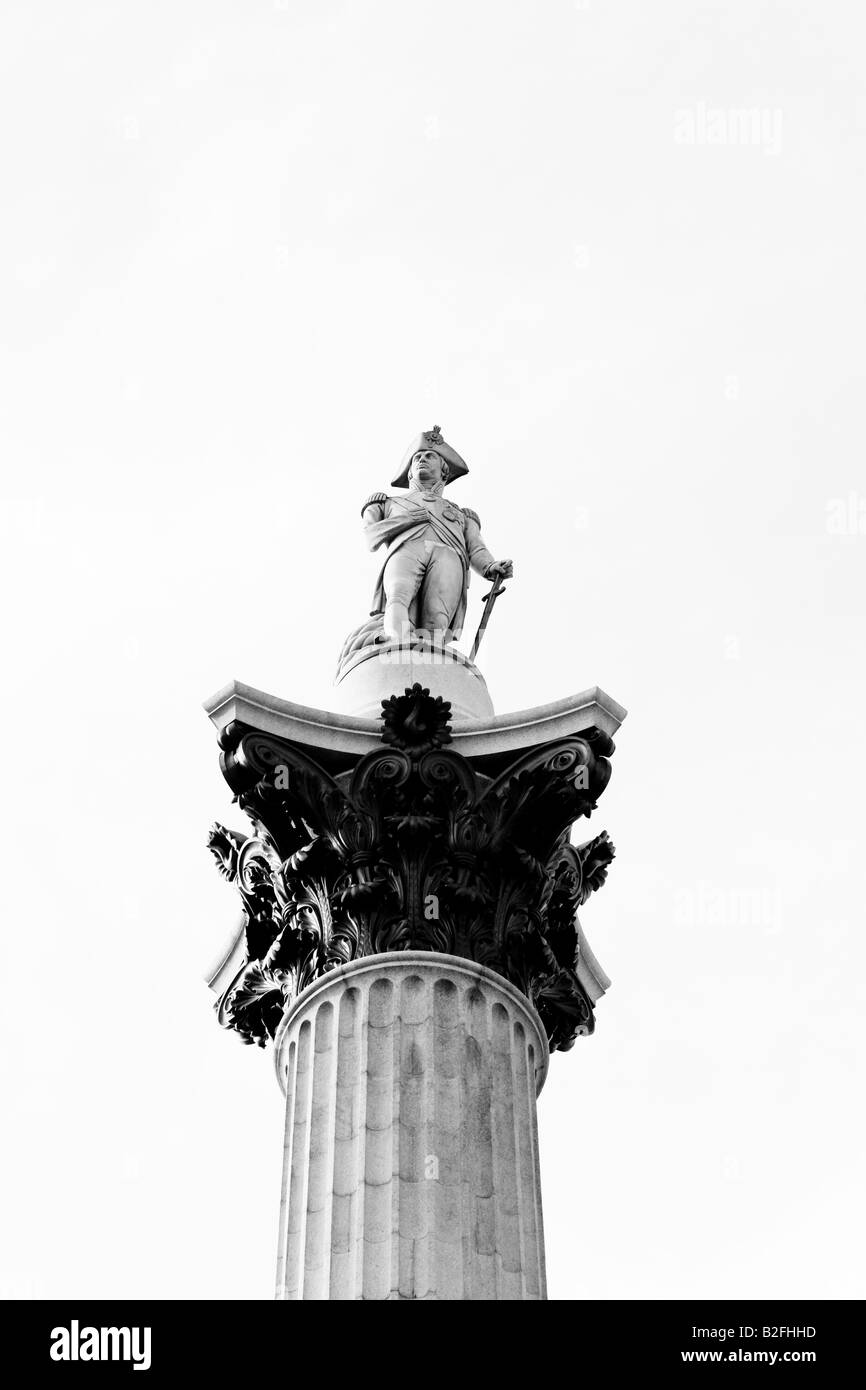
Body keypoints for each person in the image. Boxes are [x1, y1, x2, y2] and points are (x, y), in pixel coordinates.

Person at [361, 426, 513, 645]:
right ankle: (397, 643)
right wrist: (408, 519)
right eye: (417, 458)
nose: (422, 459)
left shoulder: (463, 515)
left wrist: (490, 567)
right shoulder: (387, 503)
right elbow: (371, 537)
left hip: (449, 556)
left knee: (438, 612)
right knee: (398, 595)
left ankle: (433, 655)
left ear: (444, 470)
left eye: (430, 456)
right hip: (405, 550)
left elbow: (476, 548)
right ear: (410, 472)